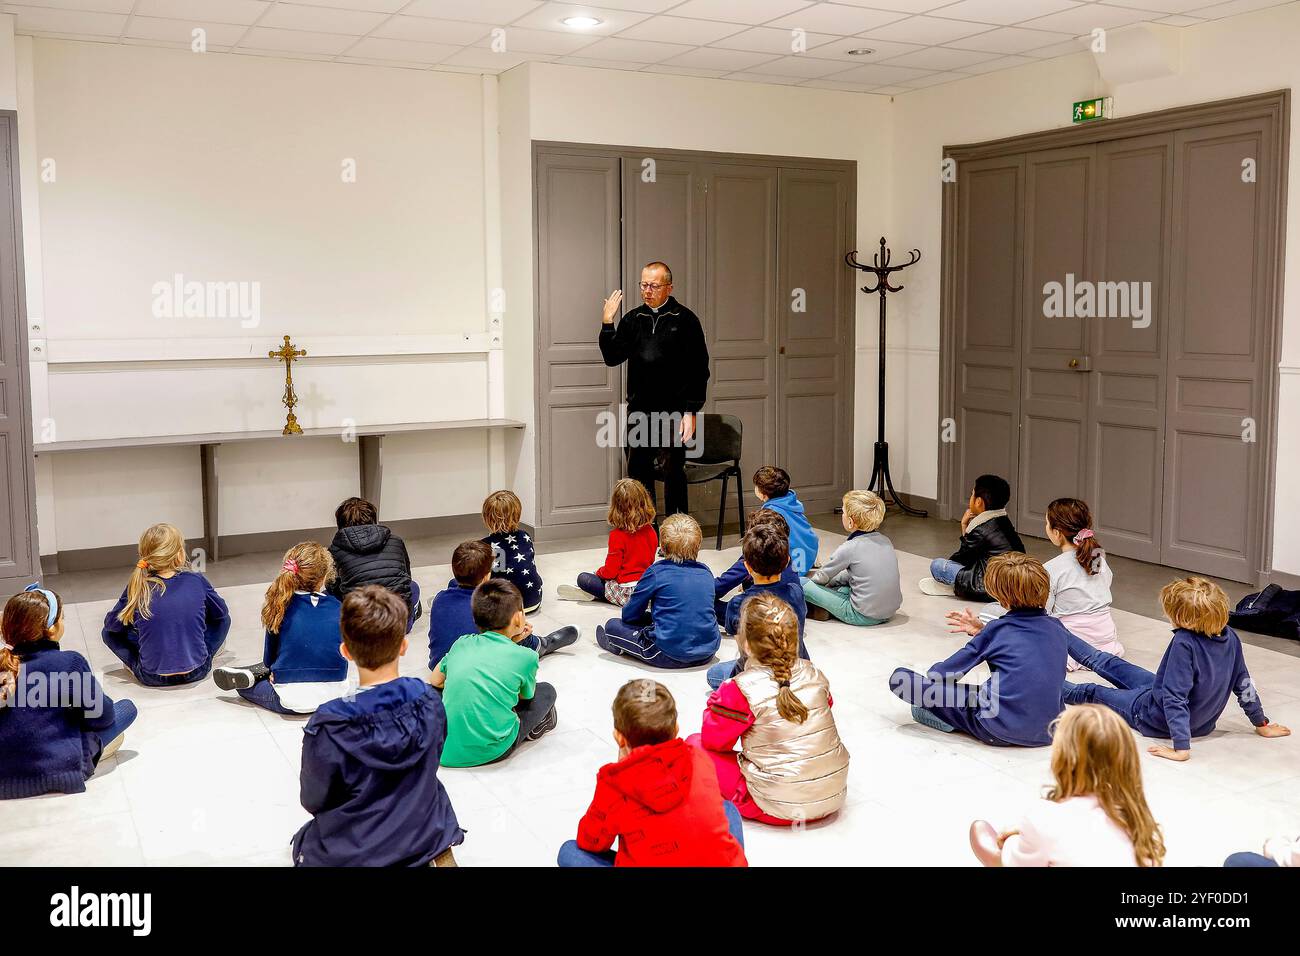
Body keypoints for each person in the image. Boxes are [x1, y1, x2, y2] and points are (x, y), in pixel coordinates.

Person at [291, 585, 463, 867]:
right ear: (404, 646)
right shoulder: (430, 700)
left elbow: (314, 799)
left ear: (345, 651)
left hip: (358, 847)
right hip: (422, 830)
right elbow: (433, 758)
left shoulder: (329, 723)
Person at [1062, 576, 1290, 761]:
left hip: (1152, 717)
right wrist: (1262, 723)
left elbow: (1174, 697)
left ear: (1185, 619)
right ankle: (1054, 629)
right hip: (1167, 705)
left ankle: (1035, 677)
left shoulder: (1185, 643)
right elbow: (1244, 683)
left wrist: (1181, 747)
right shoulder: (1230, 637)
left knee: (1090, 691)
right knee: (1110, 663)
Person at [690, 593, 848, 826]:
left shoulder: (741, 688)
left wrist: (719, 702)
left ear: (745, 644)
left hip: (775, 804)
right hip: (832, 793)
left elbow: (714, 742)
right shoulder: (814, 673)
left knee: (693, 746)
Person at [557, 679, 747, 867]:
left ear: (619, 738)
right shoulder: (697, 758)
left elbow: (591, 841)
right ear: (676, 729)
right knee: (727, 809)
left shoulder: (614, 784)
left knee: (570, 852)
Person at [890, 553, 1068, 747]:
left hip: (996, 729)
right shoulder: (1057, 627)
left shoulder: (997, 629)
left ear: (1004, 600)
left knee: (901, 679)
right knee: (980, 691)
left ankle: (942, 718)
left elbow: (942, 674)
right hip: (1051, 732)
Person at [969, 704, 1165, 867]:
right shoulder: (1138, 821)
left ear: (1062, 759)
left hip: (1030, 841)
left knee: (981, 831)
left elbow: (1004, 859)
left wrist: (1016, 839)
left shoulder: (1043, 818)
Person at [949, 497, 1123, 673]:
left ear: (1057, 533)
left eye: (1047, 523)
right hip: (1105, 636)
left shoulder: (1052, 569)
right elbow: (1104, 586)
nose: (1046, 527)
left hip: (1071, 641)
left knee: (992, 611)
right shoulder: (1097, 556)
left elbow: (1040, 612)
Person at [1, 585, 137, 799]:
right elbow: (104, 717)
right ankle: (98, 751)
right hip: (57, 769)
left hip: (5, 776)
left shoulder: (4, 666)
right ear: (52, 629)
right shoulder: (69, 662)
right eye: (62, 618)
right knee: (127, 708)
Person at [599, 261, 710, 517]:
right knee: (639, 475)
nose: (647, 290)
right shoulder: (633, 319)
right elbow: (612, 357)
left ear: (668, 288)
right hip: (639, 412)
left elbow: (699, 369)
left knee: (673, 474)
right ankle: (645, 532)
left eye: (654, 285)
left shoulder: (685, 320)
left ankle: (676, 534)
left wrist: (691, 412)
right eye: (644, 285)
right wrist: (607, 321)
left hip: (674, 413)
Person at [213, 542, 352, 715]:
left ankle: (251, 676)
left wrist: (276, 673)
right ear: (324, 577)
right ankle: (254, 673)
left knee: (243, 688)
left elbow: (269, 660)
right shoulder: (338, 607)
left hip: (289, 701)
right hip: (336, 697)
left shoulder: (279, 607)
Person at [431, 579, 559, 767]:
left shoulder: (462, 643)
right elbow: (526, 697)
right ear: (517, 618)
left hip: (444, 751)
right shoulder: (527, 656)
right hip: (494, 750)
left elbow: (434, 681)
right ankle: (534, 727)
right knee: (546, 691)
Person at [101, 523, 230, 686]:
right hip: (198, 671)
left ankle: (135, 665)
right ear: (180, 555)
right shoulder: (196, 580)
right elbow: (222, 614)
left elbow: (112, 626)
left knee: (108, 633)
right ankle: (204, 654)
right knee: (223, 620)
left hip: (151, 677)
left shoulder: (138, 586)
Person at [595, 513, 718, 669]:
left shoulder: (656, 572)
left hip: (666, 654)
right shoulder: (706, 572)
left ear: (663, 546)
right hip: (708, 651)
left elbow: (630, 614)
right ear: (698, 545)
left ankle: (619, 645)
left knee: (612, 626)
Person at [707, 523, 810, 691]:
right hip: (797, 669)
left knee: (713, 674)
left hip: (758, 675)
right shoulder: (796, 592)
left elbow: (743, 654)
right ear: (787, 562)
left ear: (747, 567)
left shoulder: (738, 603)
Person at [803, 489, 902, 626]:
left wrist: (815, 591)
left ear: (851, 522)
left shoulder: (849, 547)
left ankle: (821, 607)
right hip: (889, 612)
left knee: (802, 583)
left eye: (843, 512)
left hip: (861, 615)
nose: (842, 515)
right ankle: (825, 608)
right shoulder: (886, 540)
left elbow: (822, 576)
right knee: (844, 582)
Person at [920, 474, 1024, 600]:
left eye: (972, 494)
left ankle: (954, 589)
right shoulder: (1003, 521)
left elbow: (959, 559)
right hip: (1011, 585)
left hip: (987, 589)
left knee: (938, 565)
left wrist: (964, 525)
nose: (970, 498)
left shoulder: (981, 529)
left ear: (979, 502)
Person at [558, 478, 658, 606]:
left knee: (583, 578)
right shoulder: (651, 531)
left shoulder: (617, 536)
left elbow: (611, 571)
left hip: (626, 592)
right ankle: (592, 592)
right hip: (647, 588)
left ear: (616, 507)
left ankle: (592, 593)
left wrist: (598, 573)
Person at [328, 497, 420, 634]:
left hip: (360, 630)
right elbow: (406, 574)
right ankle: (412, 615)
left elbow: (332, 585)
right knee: (413, 586)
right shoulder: (396, 541)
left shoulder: (335, 549)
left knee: (327, 596)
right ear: (374, 519)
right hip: (398, 626)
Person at [480, 489, 542, 613]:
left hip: (505, 608)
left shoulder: (485, 545)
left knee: (458, 583)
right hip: (533, 600)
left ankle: (453, 601)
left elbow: (484, 578)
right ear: (518, 515)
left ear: (486, 518)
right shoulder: (525, 536)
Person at [752, 465, 818, 574]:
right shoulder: (792, 501)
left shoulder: (769, 513)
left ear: (763, 493)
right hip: (808, 557)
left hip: (790, 568)